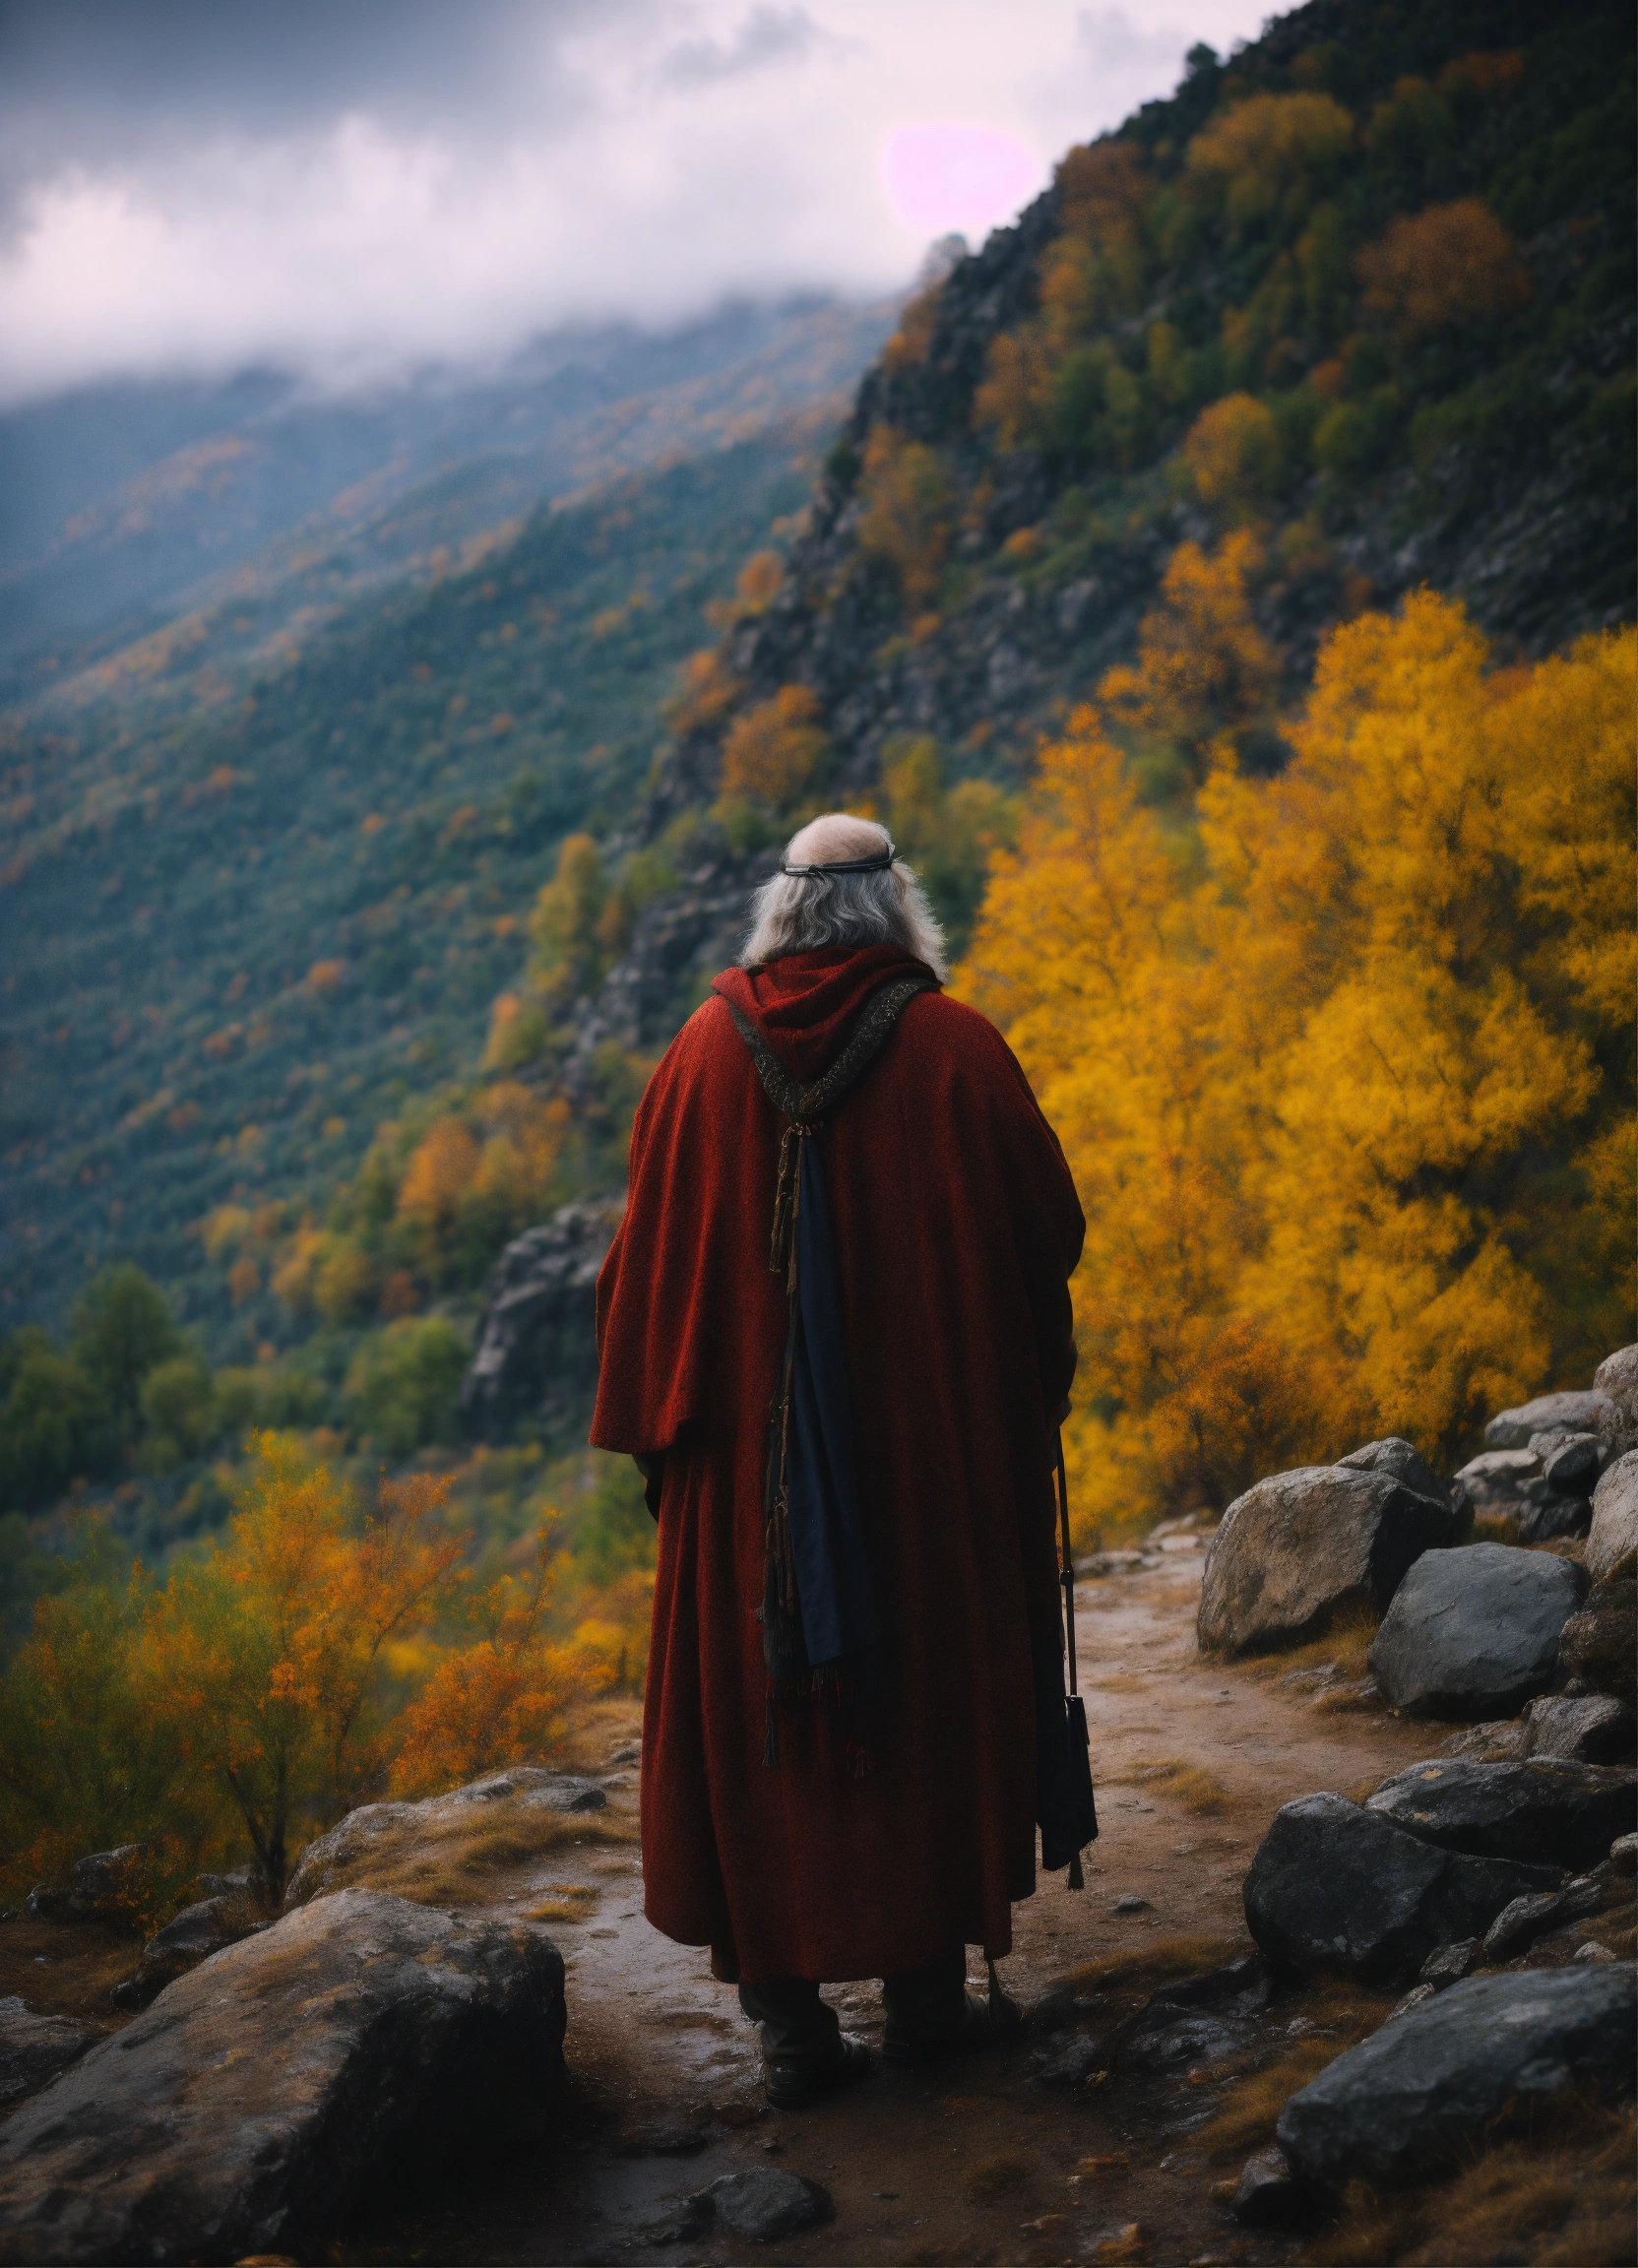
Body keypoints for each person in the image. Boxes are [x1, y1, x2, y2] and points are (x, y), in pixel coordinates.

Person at [591, 810, 1085, 2106]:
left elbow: (636, 1279)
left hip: (745, 1498)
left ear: (785, 913)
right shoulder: (957, 1051)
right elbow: (1047, 1235)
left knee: (762, 1727)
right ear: (894, 909)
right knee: (923, 1699)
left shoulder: (699, 1054)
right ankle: (925, 2009)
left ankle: (792, 2035)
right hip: (925, 1475)